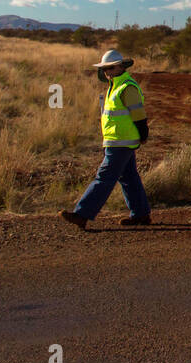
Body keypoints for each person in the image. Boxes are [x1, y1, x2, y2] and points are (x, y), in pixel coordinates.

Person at [60, 49, 151, 230]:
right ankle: (141, 214)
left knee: (105, 177)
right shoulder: (116, 86)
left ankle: (82, 214)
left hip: (122, 141)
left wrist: (143, 134)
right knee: (129, 177)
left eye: (110, 68)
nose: (107, 72)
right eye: (105, 69)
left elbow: (139, 115)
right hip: (117, 140)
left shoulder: (126, 87)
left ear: (120, 67)